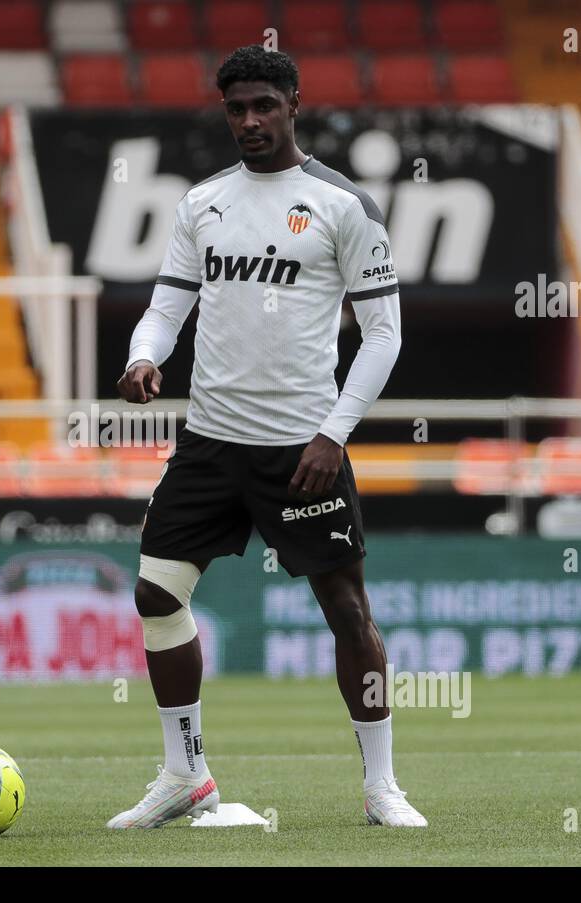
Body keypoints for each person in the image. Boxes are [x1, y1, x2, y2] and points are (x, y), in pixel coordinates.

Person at [109, 46, 425, 829]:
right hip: (210, 442)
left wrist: (333, 433)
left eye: (263, 107)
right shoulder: (203, 203)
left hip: (301, 447)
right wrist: (144, 356)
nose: (248, 121)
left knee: (346, 609)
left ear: (293, 105)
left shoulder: (342, 205)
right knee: (155, 593)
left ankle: (382, 785)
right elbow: (167, 305)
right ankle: (186, 774)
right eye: (236, 109)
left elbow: (383, 335)